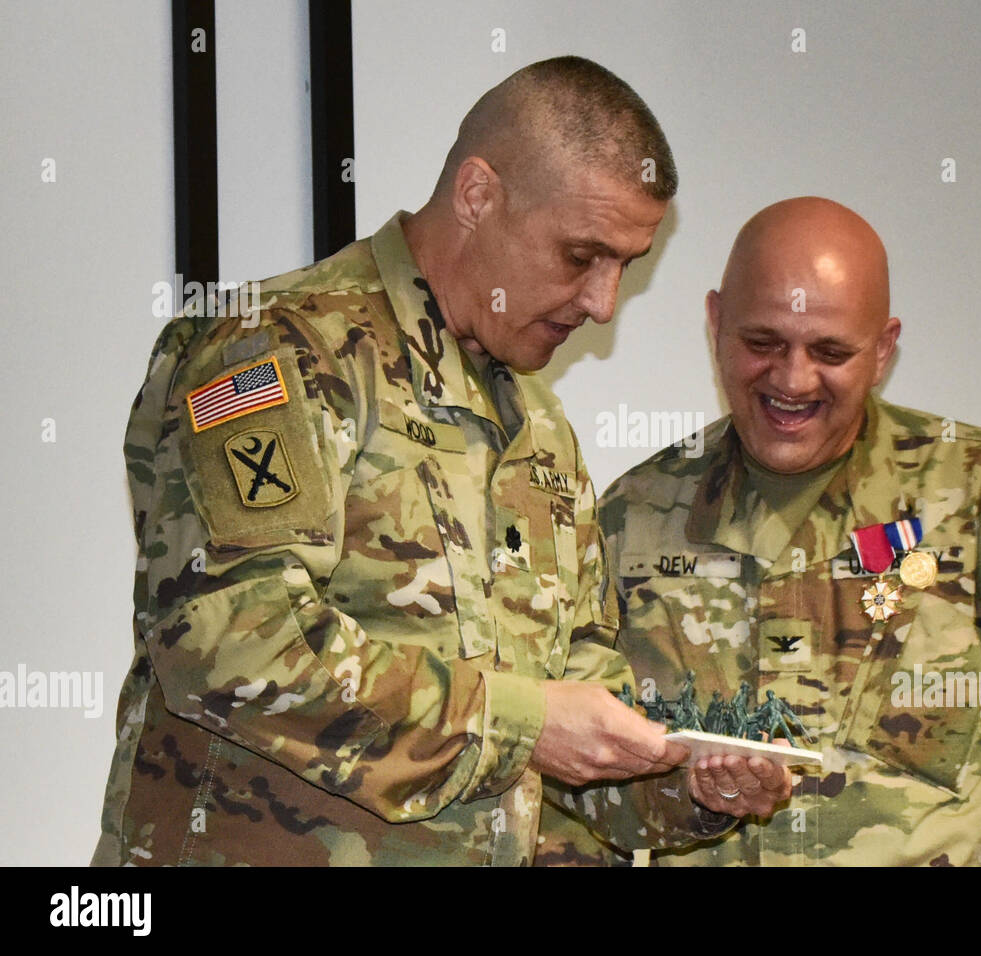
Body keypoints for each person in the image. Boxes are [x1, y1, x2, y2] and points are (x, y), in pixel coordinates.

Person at [91, 56, 777, 867]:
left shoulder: (539, 429)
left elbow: (575, 712)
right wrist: (523, 721)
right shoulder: (279, 351)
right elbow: (231, 643)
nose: (602, 304)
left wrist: (682, 785)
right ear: (478, 195)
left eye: (626, 265)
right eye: (581, 255)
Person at [537, 196, 981, 865]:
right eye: (762, 343)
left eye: (831, 351)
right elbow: (568, 798)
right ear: (716, 321)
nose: (792, 378)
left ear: (884, 349)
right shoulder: (629, 520)